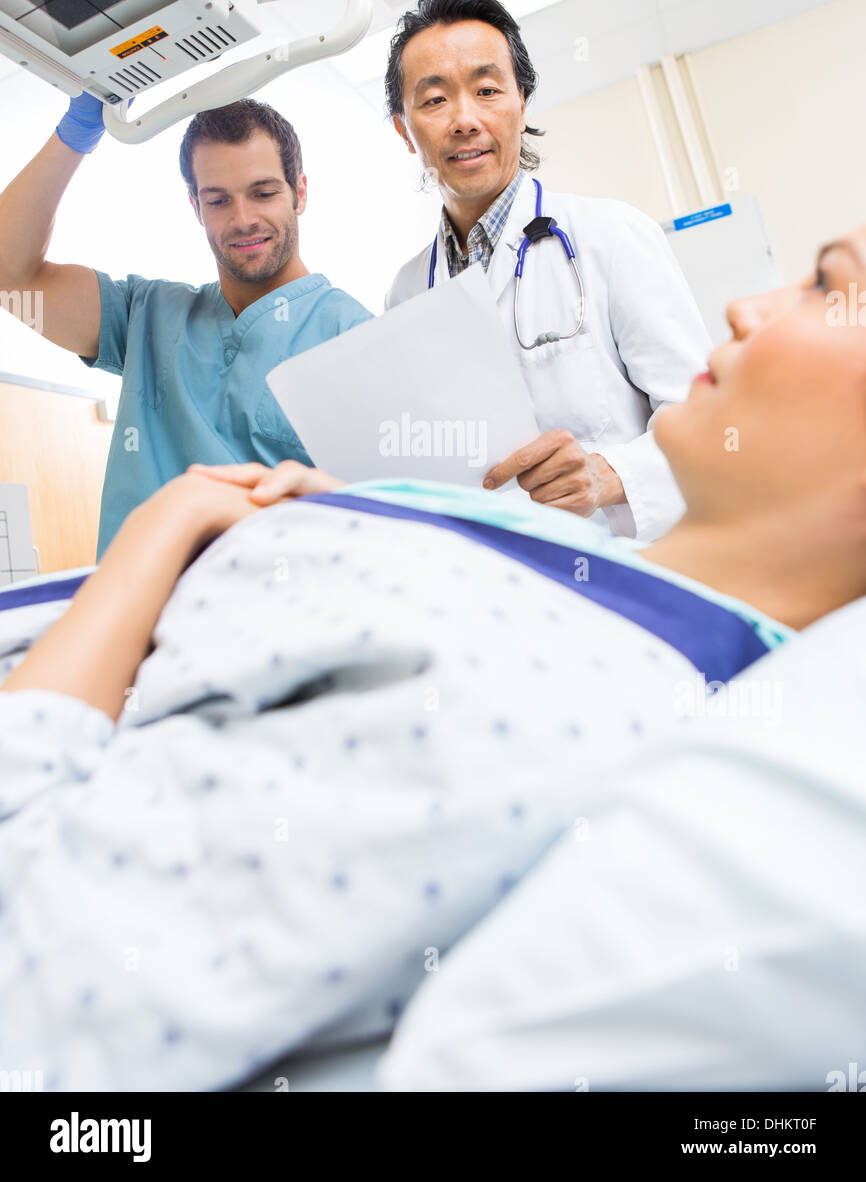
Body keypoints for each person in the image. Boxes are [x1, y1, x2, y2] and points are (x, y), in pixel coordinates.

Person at [0, 221, 862, 1090]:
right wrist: (366, 516)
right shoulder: (588, 592)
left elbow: (48, 985)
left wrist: (160, 534)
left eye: (828, 287)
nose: (745, 306)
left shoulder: (518, 707)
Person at [383, 0, 713, 543]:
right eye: (435, 99)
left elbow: (708, 421)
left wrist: (610, 475)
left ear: (521, 102)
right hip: (499, 580)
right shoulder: (407, 292)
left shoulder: (610, 236)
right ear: (403, 128)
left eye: (487, 90)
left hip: (625, 564)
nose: (464, 119)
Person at [0, 95, 372, 558]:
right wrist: (76, 133)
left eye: (263, 192)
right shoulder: (146, 315)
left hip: (271, 615)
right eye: (218, 200)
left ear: (300, 192)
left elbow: (379, 524)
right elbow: (10, 274)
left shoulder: (356, 338)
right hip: (128, 616)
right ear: (196, 207)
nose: (243, 219)